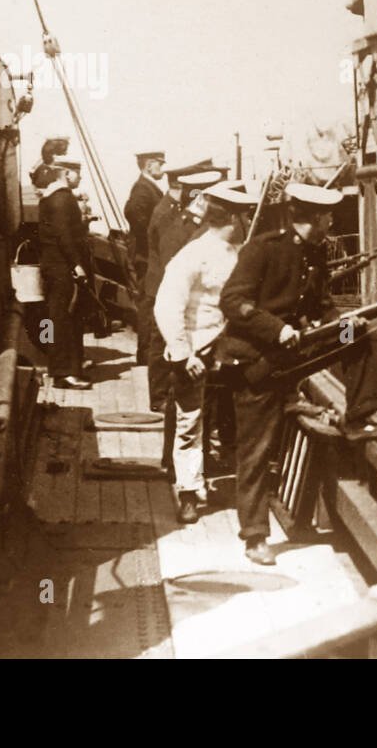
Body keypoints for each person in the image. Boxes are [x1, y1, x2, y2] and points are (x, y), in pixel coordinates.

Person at [218, 183, 377, 566]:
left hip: (293, 353)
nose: (332, 221)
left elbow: (321, 304)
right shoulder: (263, 249)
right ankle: (255, 537)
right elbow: (233, 301)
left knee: (356, 336)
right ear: (315, 218)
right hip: (256, 362)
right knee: (256, 450)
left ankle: (360, 417)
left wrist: (342, 321)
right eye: (329, 216)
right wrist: (275, 329)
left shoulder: (315, 253)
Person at [153, 182, 257, 524]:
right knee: (190, 422)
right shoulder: (192, 255)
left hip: (231, 349)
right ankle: (189, 493)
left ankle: (248, 490)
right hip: (197, 351)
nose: (247, 221)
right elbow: (167, 306)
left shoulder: (239, 252)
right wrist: (184, 354)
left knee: (235, 418)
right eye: (244, 215)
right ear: (232, 218)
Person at [146, 169, 219, 472]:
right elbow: (175, 284)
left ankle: (192, 461)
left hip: (197, 325)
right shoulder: (179, 231)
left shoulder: (196, 228)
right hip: (183, 324)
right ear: (199, 197)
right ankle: (175, 465)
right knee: (183, 400)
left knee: (195, 400)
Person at [38, 157, 90, 388]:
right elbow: (63, 235)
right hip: (62, 267)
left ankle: (62, 367)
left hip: (53, 265)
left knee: (55, 317)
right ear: (67, 173)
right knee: (62, 319)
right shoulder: (62, 198)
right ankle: (63, 373)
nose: (80, 177)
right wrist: (76, 264)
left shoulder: (51, 196)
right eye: (78, 173)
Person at [124, 150, 166, 363]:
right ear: (149, 165)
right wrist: (151, 240)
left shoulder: (148, 187)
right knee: (148, 303)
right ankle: (146, 354)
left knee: (149, 302)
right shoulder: (143, 188)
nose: (163, 167)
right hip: (146, 257)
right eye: (160, 163)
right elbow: (132, 213)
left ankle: (147, 352)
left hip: (147, 256)